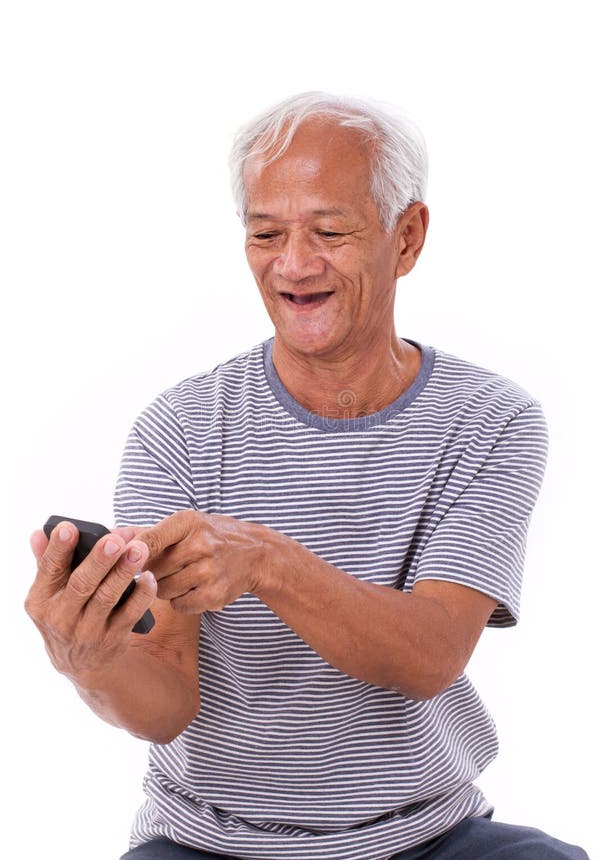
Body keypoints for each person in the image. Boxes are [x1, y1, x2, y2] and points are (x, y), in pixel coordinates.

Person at [25, 92, 588, 859]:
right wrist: (91, 664)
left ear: (407, 238)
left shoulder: (491, 419)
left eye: (329, 231)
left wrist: (266, 560)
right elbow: (164, 702)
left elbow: (430, 656)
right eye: (266, 234)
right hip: (209, 845)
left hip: (427, 836)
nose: (293, 265)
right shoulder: (179, 428)